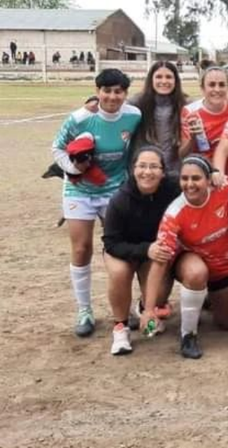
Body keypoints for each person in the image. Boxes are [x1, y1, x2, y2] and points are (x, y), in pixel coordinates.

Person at [51, 69, 141, 336]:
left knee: (122, 249)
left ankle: (127, 308)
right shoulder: (81, 118)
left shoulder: (133, 116)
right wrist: (75, 170)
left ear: (125, 94)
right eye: (107, 90)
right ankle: (84, 310)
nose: (112, 96)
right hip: (80, 191)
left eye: (118, 91)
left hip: (115, 190)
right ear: (98, 91)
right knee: (81, 248)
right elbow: (57, 148)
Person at [143, 155, 228, 359]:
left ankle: (205, 297)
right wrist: (149, 309)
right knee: (196, 273)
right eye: (184, 179)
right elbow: (160, 261)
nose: (189, 184)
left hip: (222, 265)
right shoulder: (175, 213)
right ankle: (188, 335)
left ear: (208, 180)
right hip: (190, 261)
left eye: (196, 178)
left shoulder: (224, 189)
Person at [101, 146, 181, 355]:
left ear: (163, 172)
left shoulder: (173, 188)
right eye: (142, 166)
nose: (147, 172)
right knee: (120, 274)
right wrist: (146, 249)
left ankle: (147, 311)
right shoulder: (120, 199)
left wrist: (215, 174)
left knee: (158, 294)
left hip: (153, 252)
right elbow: (111, 243)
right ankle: (121, 327)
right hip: (123, 249)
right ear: (133, 169)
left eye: (154, 166)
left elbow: (197, 179)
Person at [129, 61, 188, 177]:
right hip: (145, 174)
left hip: (175, 174)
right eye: (159, 77)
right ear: (151, 79)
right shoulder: (136, 104)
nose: (164, 81)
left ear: (176, 80)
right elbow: (113, 108)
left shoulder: (186, 105)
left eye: (169, 77)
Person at [180, 66, 228, 177]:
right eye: (211, 85)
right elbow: (182, 155)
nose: (217, 89)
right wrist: (192, 139)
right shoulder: (190, 112)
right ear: (202, 88)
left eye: (221, 85)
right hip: (201, 177)